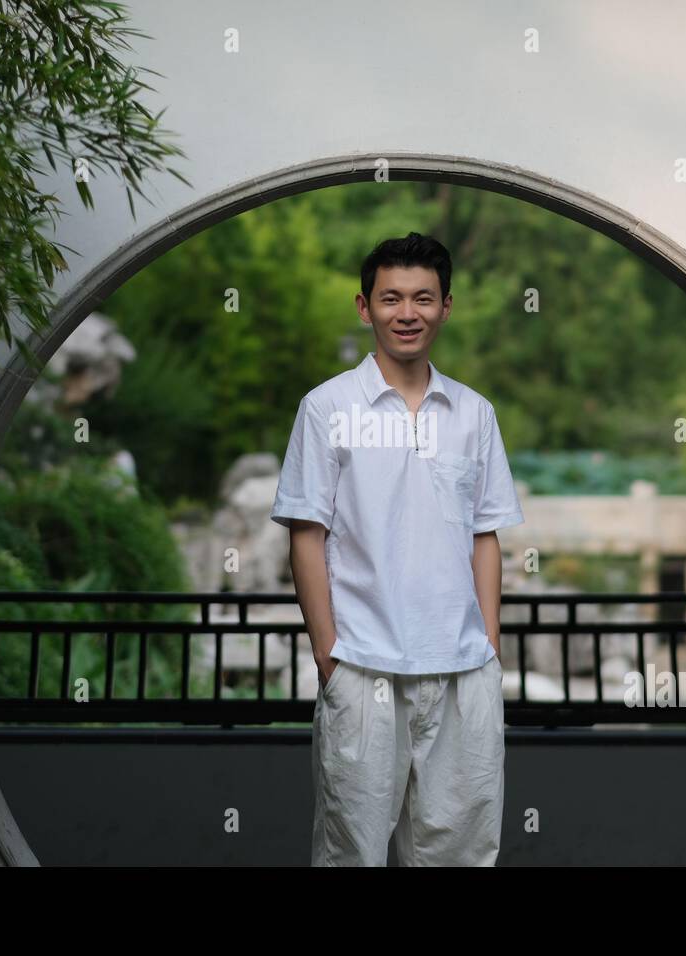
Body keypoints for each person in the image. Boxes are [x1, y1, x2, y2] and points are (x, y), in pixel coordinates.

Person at [270, 231, 524, 866]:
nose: (407, 313)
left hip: (463, 671)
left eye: (423, 298)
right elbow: (308, 536)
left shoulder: (474, 413)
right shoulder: (326, 408)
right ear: (364, 308)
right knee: (352, 852)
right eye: (391, 298)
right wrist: (329, 658)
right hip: (362, 667)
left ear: (446, 307)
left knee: (461, 855)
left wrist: (488, 649)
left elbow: (484, 536)